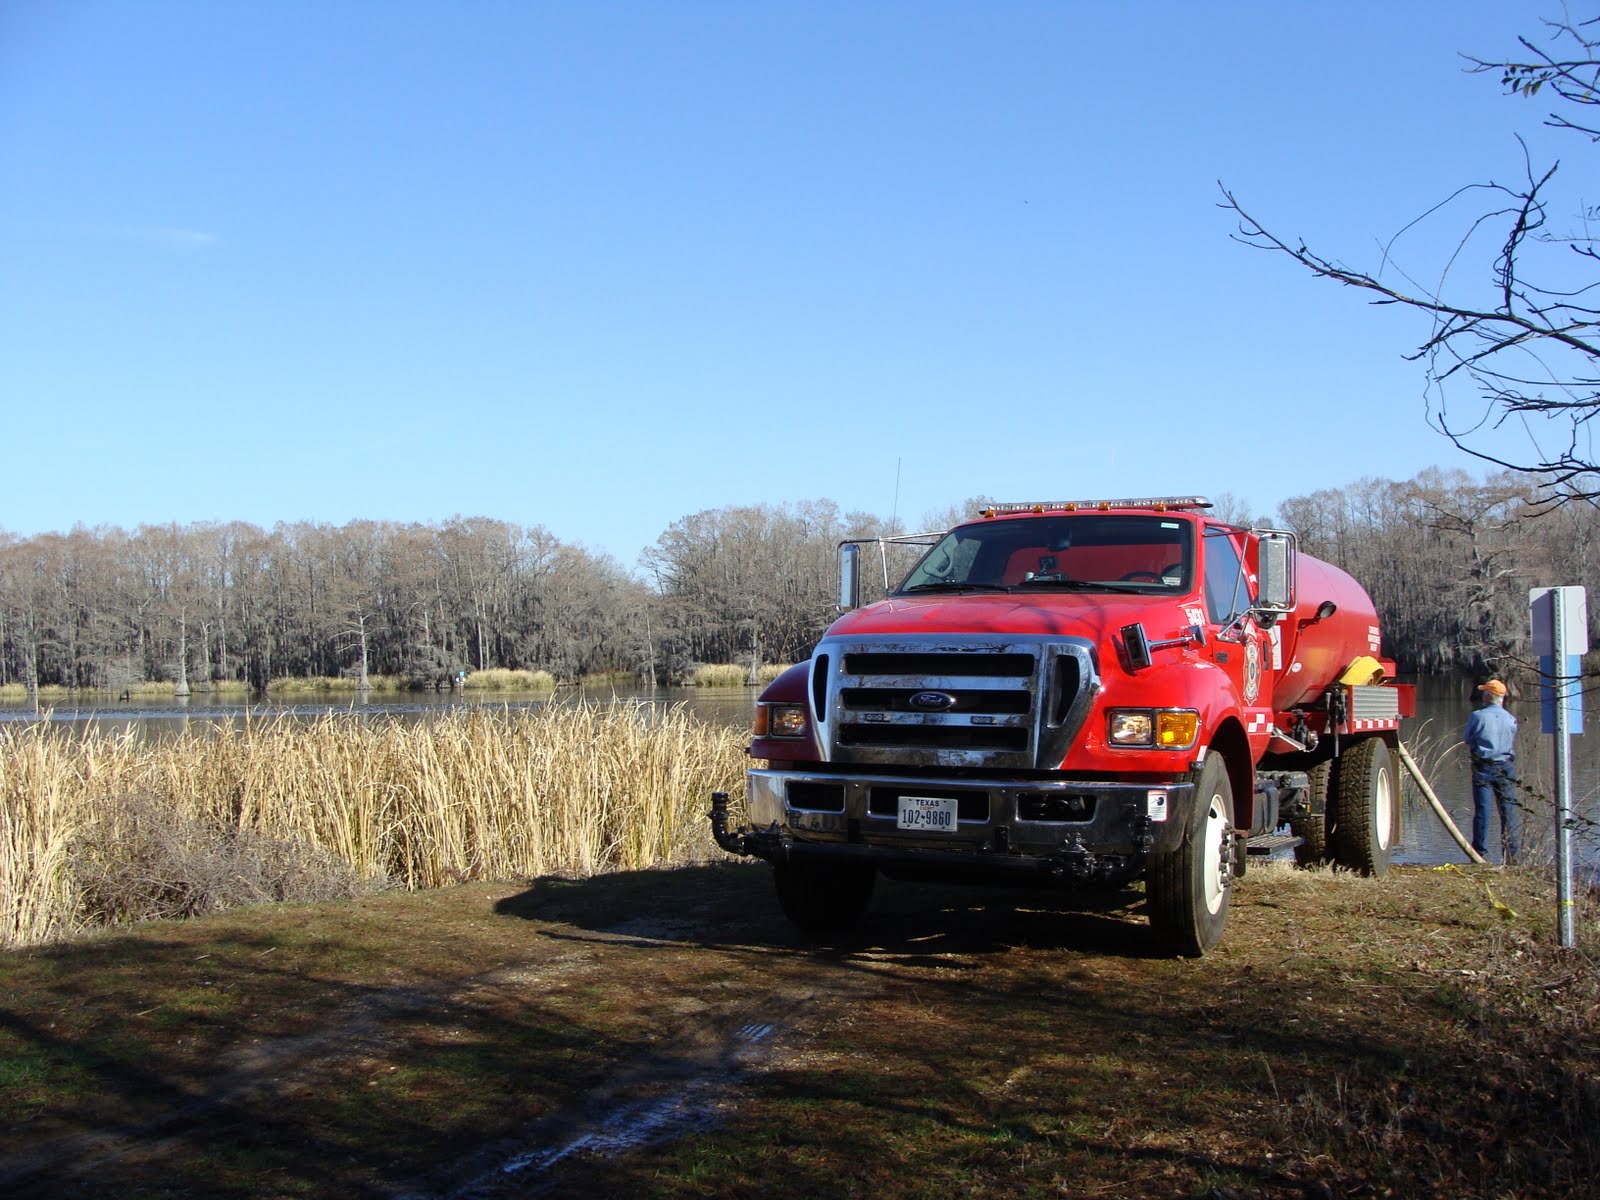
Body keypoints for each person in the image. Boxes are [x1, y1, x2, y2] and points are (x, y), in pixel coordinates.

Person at [1463, 679, 1520, 864]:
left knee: (1483, 811)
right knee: (1508, 811)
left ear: (1488, 696)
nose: (1482, 696)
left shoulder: (1477, 716)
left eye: (1484, 693)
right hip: (1505, 766)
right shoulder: (1511, 719)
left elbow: (1467, 738)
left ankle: (1479, 854)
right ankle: (1511, 856)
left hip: (1483, 767)